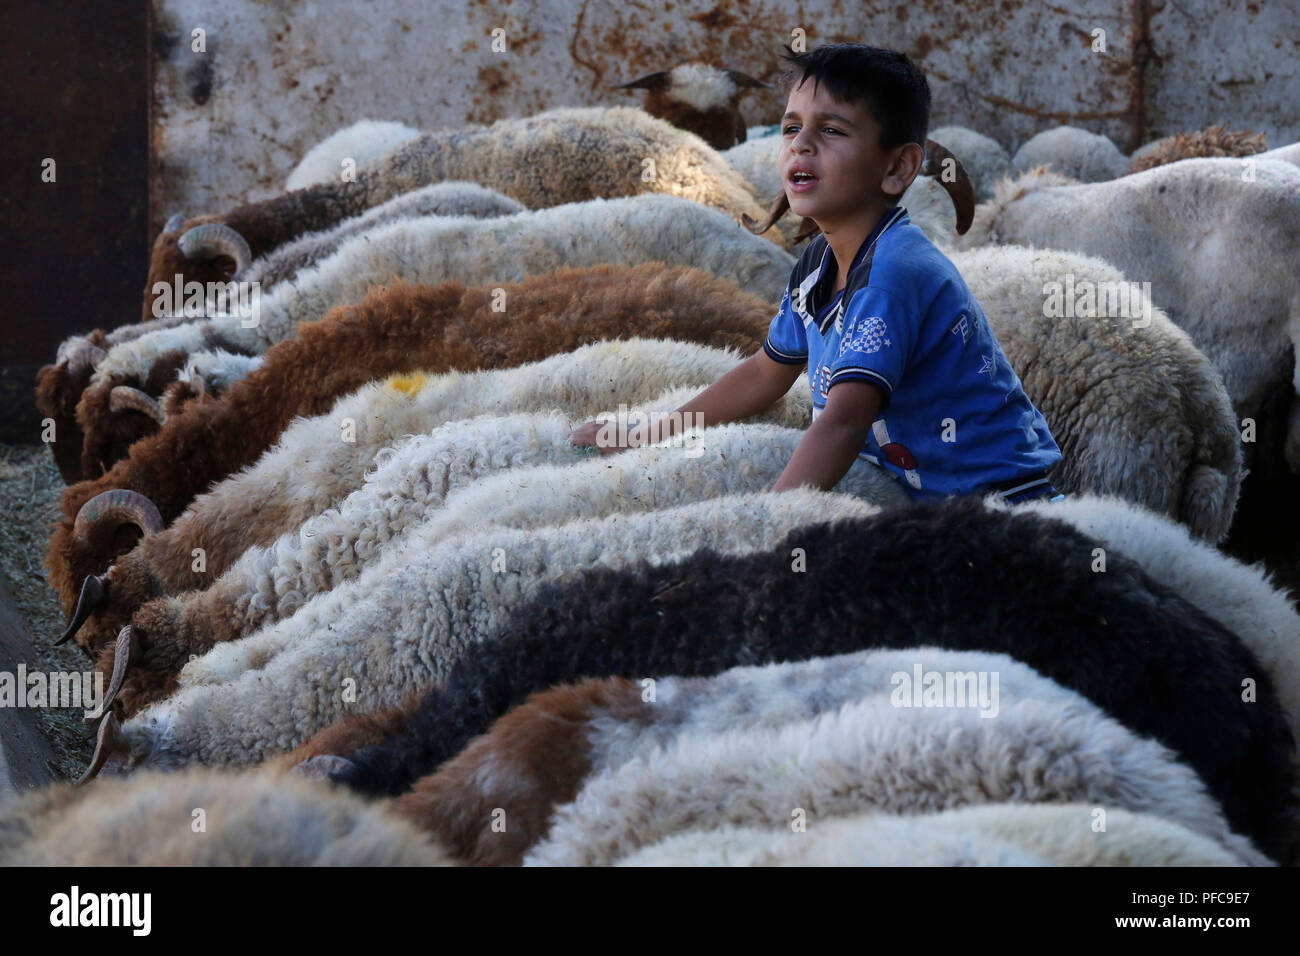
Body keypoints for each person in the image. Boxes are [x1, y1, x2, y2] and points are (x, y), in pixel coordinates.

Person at [570, 43, 1064, 505]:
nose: (801, 145)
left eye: (831, 130)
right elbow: (766, 372)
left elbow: (843, 424)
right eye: (790, 128)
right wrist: (645, 436)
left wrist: (771, 522)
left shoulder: (893, 274)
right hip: (916, 495)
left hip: (999, 503)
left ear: (897, 168)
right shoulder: (818, 262)